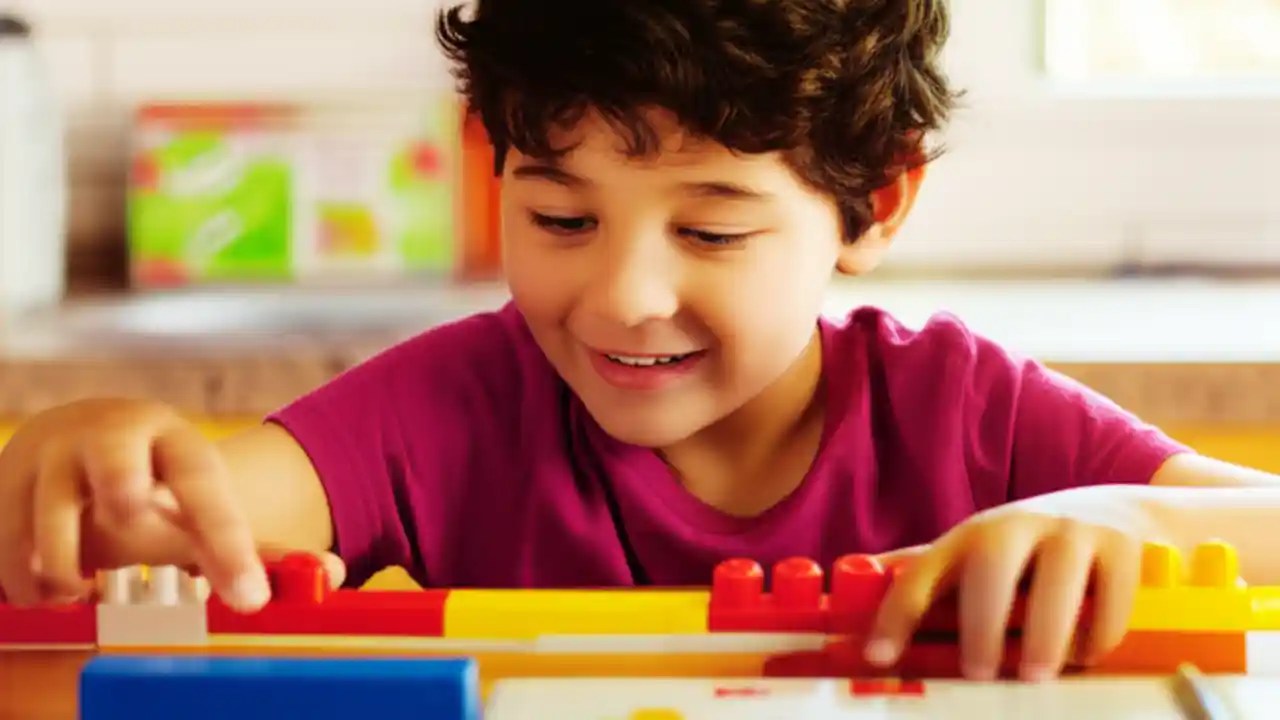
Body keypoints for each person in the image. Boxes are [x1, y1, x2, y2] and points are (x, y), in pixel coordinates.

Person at [1, 0, 1277, 684]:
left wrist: (1126, 525)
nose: (621, 298)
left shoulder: (971, 416)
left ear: (872, 204)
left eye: (711, 232)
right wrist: (98, 472)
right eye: (559, 215)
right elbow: (190, 524)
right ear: (490, 170)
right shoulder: (449, 408)